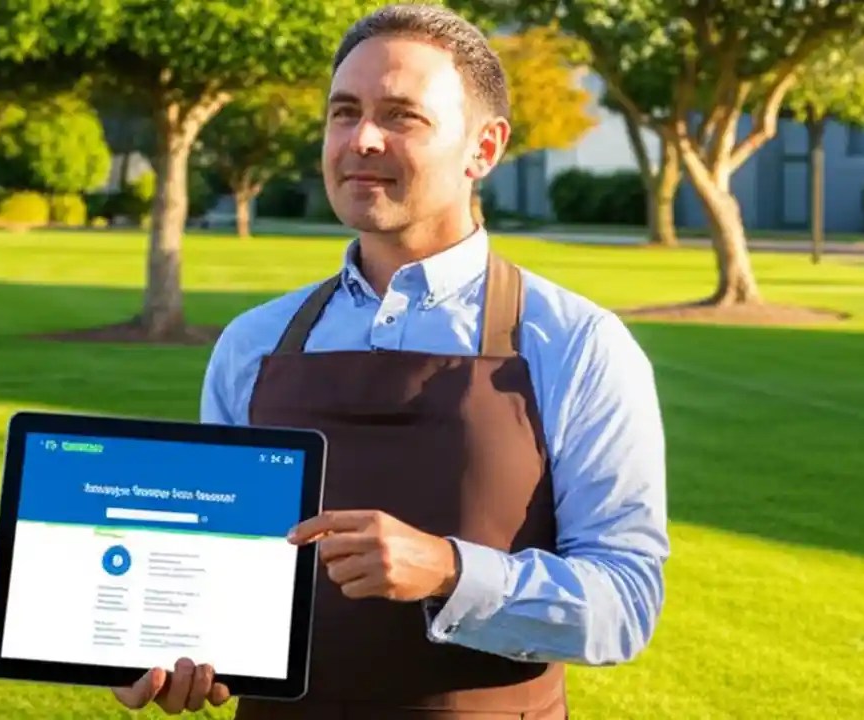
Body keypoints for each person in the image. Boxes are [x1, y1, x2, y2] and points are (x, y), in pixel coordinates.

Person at [111, 4, 669, 718]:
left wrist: (449, 570)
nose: (361, 139)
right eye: (344, 113)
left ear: (484, 149)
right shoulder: (252, 346)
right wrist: (160, 648)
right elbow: (221, 579)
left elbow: (626, 603)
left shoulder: (577, 345)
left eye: (401, 116)